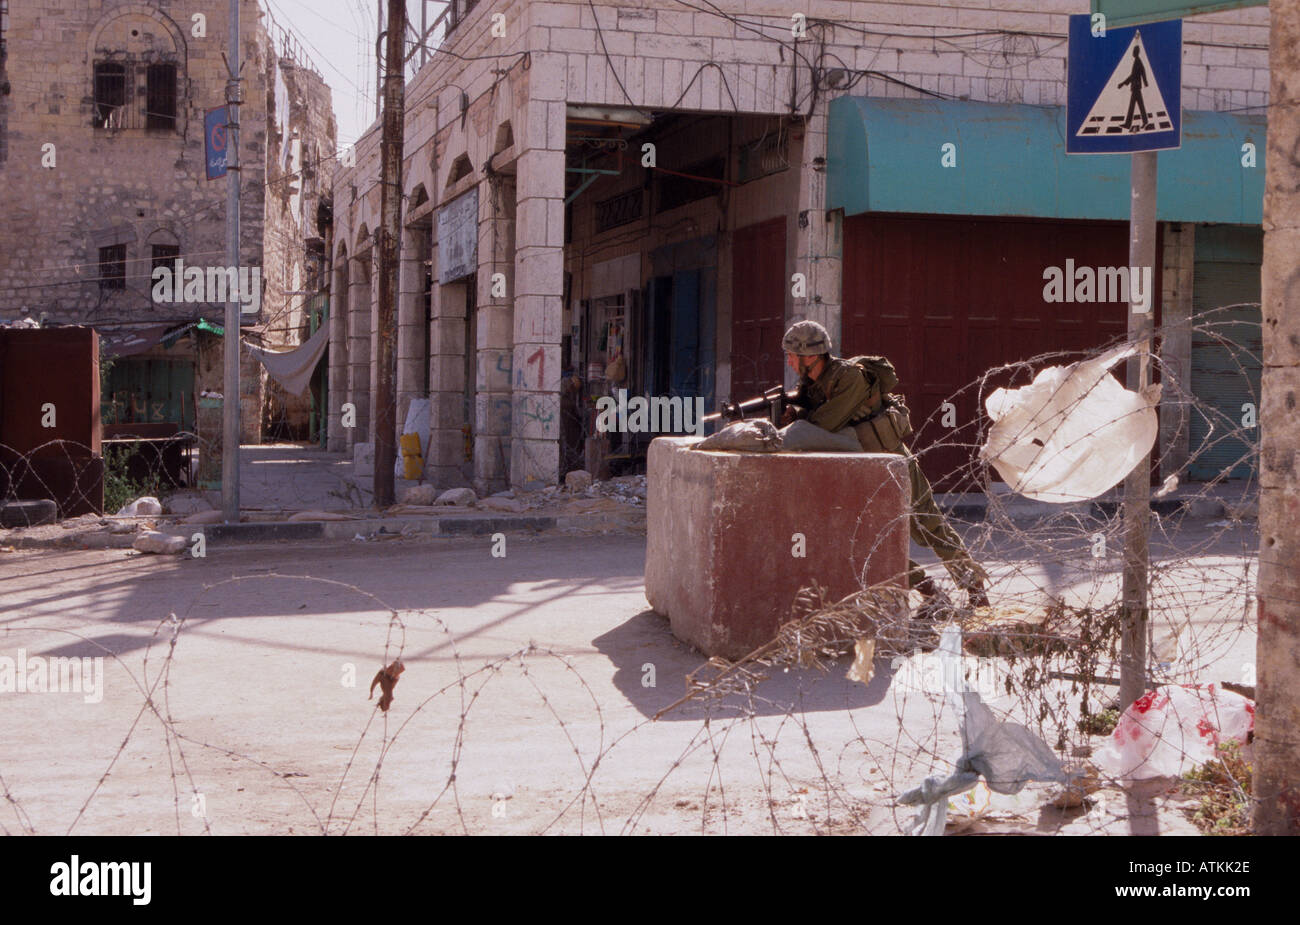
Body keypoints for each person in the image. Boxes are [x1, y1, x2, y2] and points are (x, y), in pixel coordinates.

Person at [778, 320, 990, 609]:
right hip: (862, 467)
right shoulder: (812, 385)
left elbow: (826, 424)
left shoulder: (849, 376)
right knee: (869, 538)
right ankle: (927, 588)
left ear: (810, 356)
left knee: (926, 526)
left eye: (792, 355)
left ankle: (975, 590)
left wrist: (799, 419)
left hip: (892, 460)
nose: (789, 361)